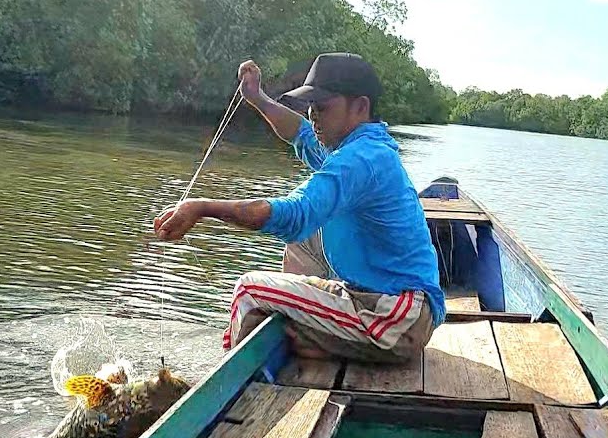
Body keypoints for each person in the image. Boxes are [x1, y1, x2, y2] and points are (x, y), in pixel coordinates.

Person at [153, 52, 446, 363]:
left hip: (394, 317)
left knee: (249, 292)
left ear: (361, 107)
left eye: (321, 107)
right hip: (394, 309)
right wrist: (257, 98)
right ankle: (308, 332)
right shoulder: (358, 148)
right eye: (310, 107)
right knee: (304, 240)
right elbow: (301, 134)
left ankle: (226, 391)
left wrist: (202, 207)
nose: (313, 116)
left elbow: (294, 214)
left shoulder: (360, 160)